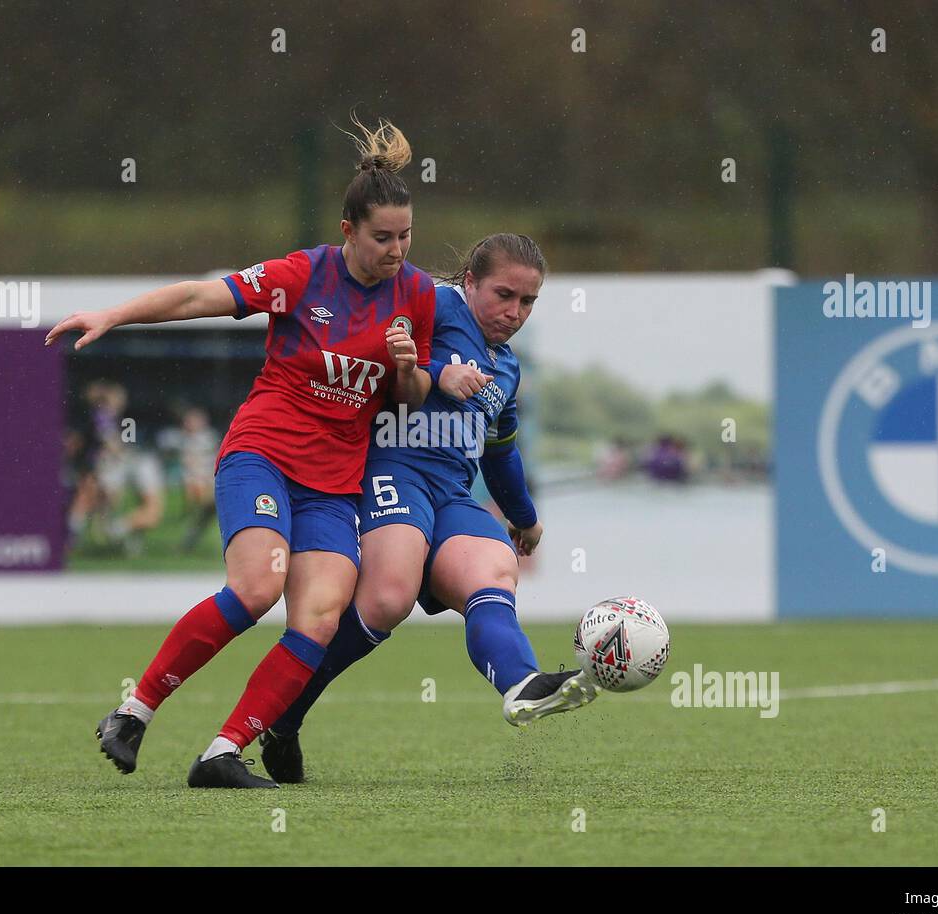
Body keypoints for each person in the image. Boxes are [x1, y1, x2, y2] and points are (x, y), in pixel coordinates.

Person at [44, 118, 436, 788]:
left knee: (318, 616)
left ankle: (221, 753)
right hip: (263, 455)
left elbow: (410, 399)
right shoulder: (301, 275)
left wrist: (407, 370)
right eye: (382, 238)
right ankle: (134, 712)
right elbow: (202, 294)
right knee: (257, 589)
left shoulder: (417, 295)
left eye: (405, 236)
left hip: (334, 485)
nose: (396, 249)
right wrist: (113, 315)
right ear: (348, 230)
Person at [258, 233, 597, 784]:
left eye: (528, 302)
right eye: (503, 294)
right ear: (469, 282)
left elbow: (501, 453)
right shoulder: (430, 302)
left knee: (493, 570)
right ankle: (282, 716)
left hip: (450, 495)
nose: (515, 313)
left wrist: (526, 517)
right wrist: (439, 370)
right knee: (388, 597)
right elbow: (365, 337)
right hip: (387, 471)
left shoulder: (506, 368)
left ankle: (519, 683)